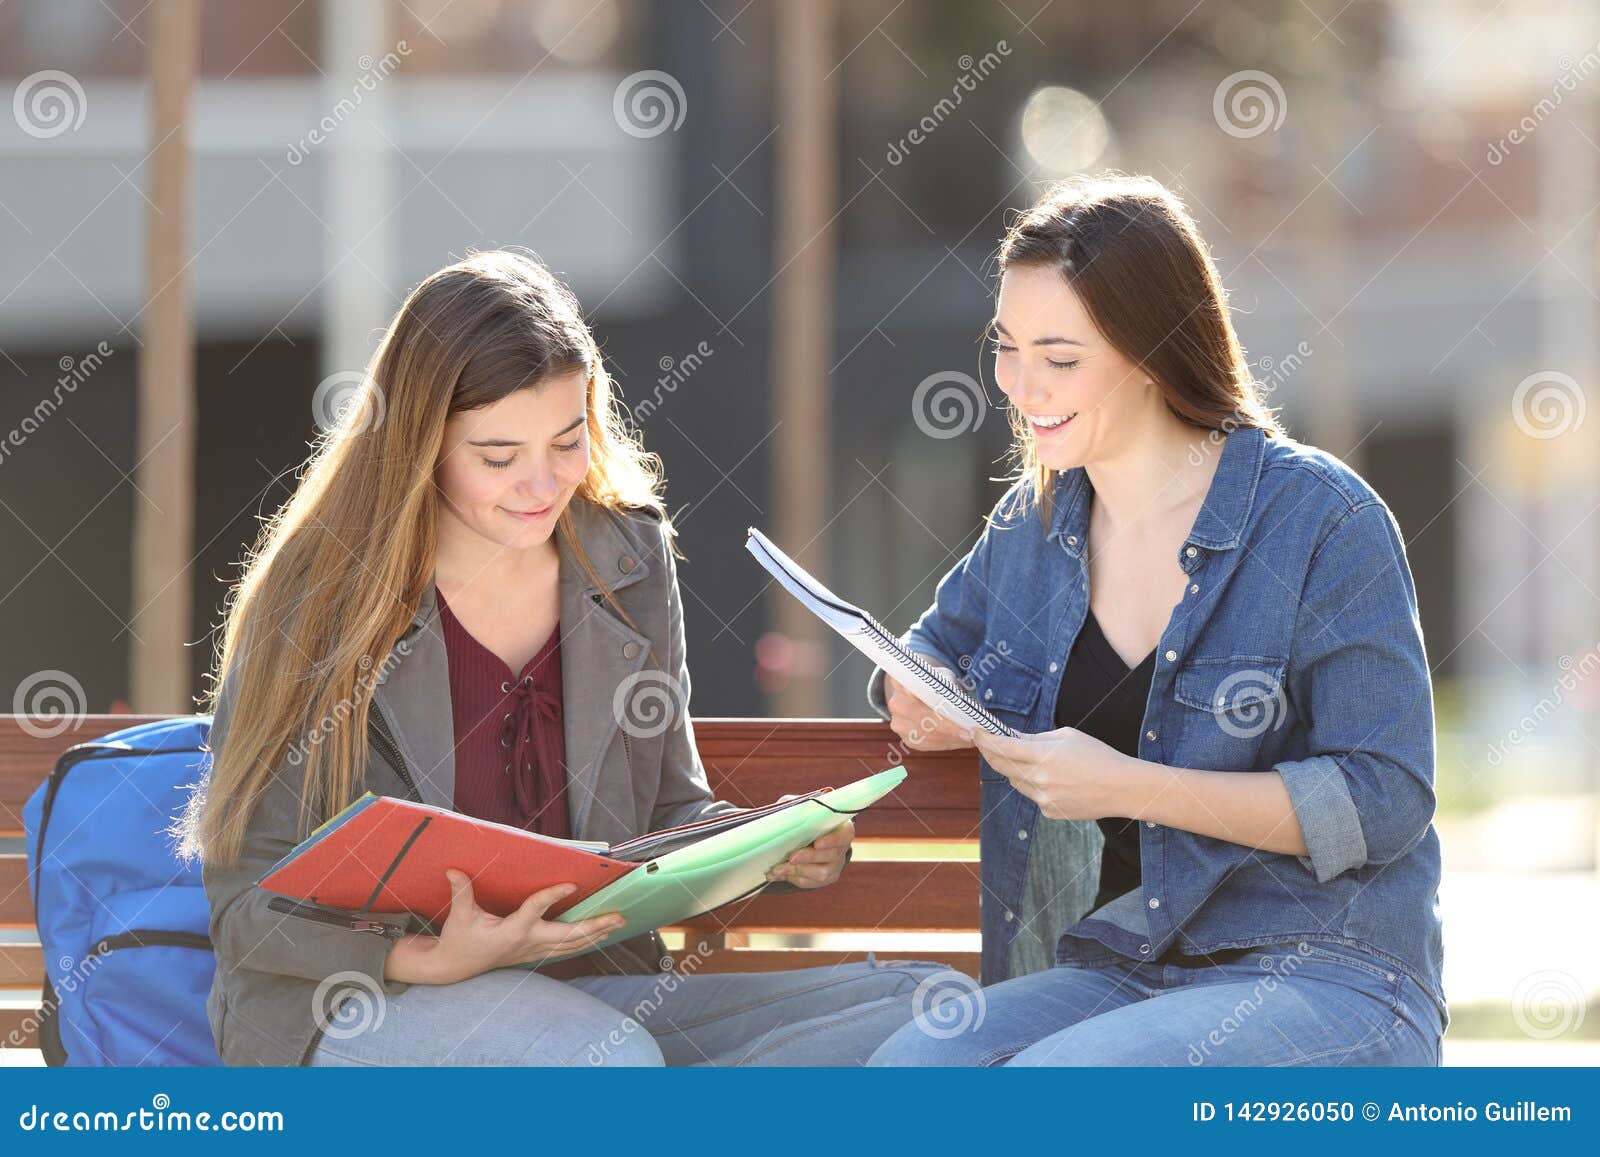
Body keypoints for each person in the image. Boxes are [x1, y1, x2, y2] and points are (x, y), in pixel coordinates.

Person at [182, 249, 942, 1067]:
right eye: (498, 457)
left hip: (592, 985)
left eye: (568, 440)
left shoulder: (625, 562)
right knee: (605, 1066)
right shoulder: (320, 594)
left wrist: (773, 846)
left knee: (917, 1008)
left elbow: (665, 819)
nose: (542, 486)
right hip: (369, 1002)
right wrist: (436, 956)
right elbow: (248, 904)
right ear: (418, 445)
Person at [867, 175, 1446, 1067]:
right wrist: (923, 694)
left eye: (1060, 359)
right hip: (1133, 959)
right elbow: (931, 650)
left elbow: (1384, 797)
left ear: (1151, 352)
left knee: (1062, 1085)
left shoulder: (1321, 519)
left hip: (1330, 971)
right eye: (1006, 348)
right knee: (915, 1069)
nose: (1020, 387)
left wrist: (1129, 785)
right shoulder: (1035, 523)